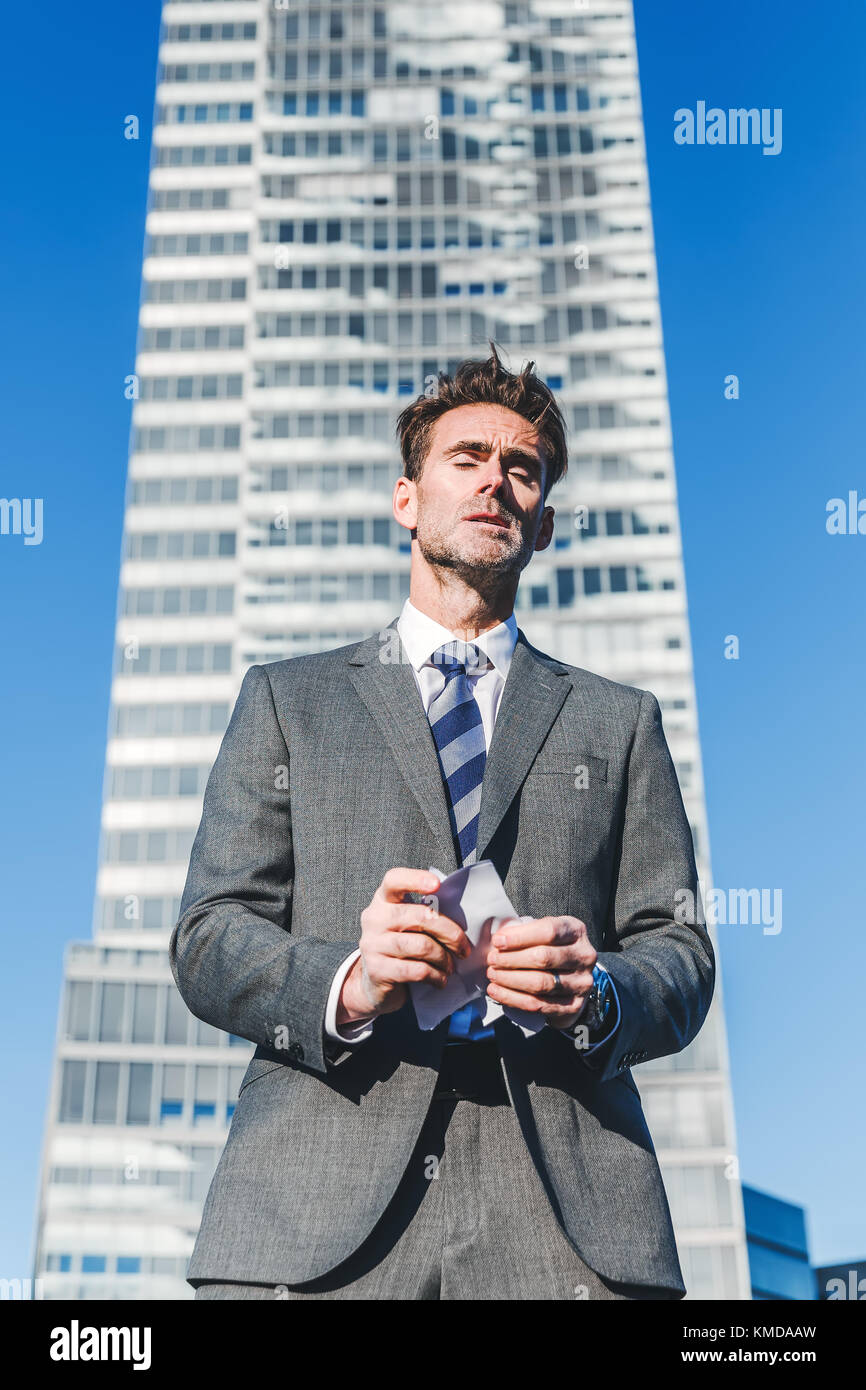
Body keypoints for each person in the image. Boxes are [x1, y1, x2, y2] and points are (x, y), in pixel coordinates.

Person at [171, 343, 714, 1300]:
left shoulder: (620, 722)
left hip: (567, 1214)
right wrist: (350, 977)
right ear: (406, 499)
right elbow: (210, 938)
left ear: (542, 524)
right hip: (315, 1202)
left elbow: (680, 951)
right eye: (466, 458)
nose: (496, 482)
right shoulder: (285, 701)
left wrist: (593, 993)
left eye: (522, 470)